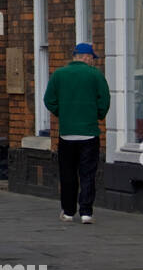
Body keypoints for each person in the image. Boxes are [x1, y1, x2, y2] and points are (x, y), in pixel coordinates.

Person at [42, 42, 111, 223]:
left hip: (67, 134)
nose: (92, 61)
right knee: (88, 173)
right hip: (89, 133)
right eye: (91, 58)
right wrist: (97, 115)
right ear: (86, 57)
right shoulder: (95, 75)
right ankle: (86, 212)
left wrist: (62, 113)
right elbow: (104, 99)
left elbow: (49, 100)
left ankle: (68, 211)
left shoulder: (59, 75)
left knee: (68, 173)